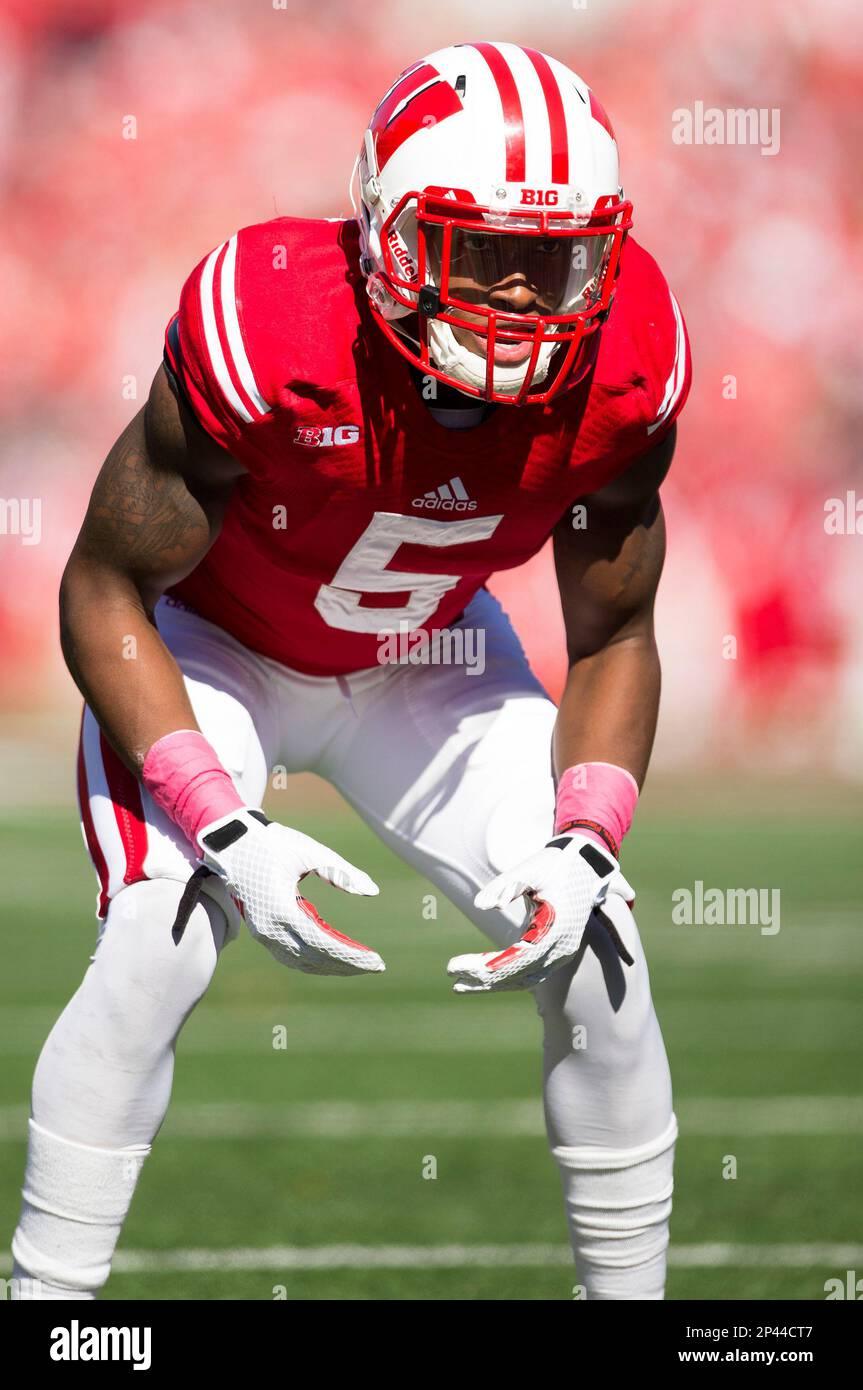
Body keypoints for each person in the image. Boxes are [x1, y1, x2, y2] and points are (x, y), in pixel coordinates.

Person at [11, 41, 690, 1300]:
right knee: (162, 940)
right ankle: (47, 1305)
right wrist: (219, 821)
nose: (520, 296)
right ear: (381, 227)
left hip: (425, 658)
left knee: (602, 946)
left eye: (554, 258)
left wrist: (588, 833)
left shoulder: (628, 355)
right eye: (476, 248)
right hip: (213, 651)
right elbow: (106, 585)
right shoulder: (270, 324)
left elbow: (616, 632)